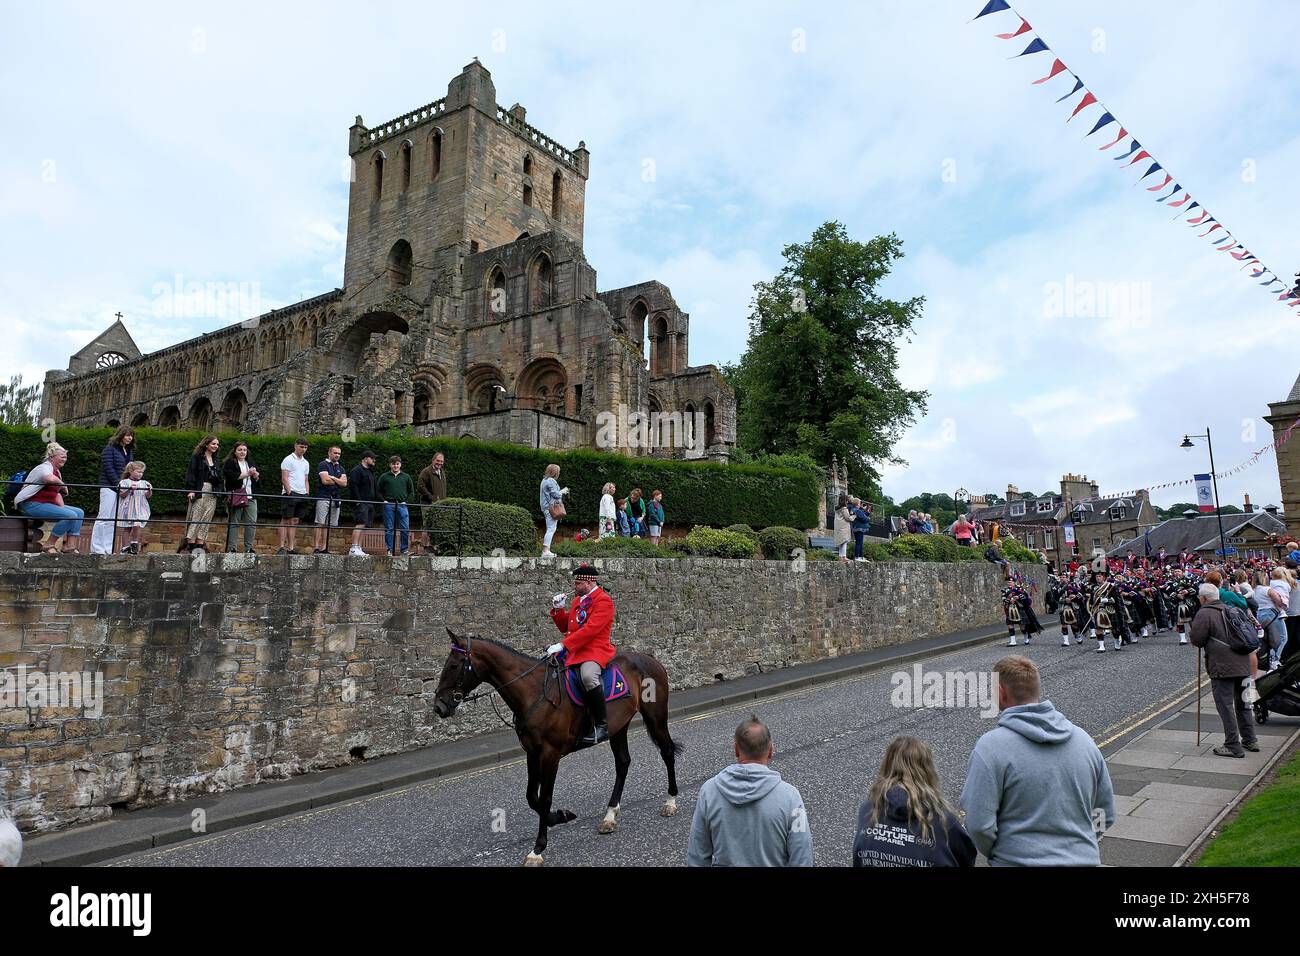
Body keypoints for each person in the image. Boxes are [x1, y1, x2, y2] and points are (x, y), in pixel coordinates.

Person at [960, 656, 1115, 866]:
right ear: (1036, 690)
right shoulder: (1084, 741)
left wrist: (1003, 852)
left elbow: (979, 825)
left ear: (1001, 692)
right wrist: (1080, 845)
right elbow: (1104, 812)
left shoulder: (990, 748)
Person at [688, 715, 813, 867]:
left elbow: (697, 855)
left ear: (736, 749)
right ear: (771, 750)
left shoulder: (709, 792)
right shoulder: (791, 797)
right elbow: (802, 855)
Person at [853, 736, 976, 868]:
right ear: (927, 771)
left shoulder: (868, 811)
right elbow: (966, 858)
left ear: (887, 765)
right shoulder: (944, 821)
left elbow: (858, 858)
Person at [546, 565, 616, 744]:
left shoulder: (603, 601)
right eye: (575, 582)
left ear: (589, 582)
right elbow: (567, 628)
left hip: (595, 649)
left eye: (577, 583)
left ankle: (602, 726)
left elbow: (591, 630)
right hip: (576, 650)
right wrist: (559, 610)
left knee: (588, 677)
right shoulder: (578, 600)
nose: (574, 585)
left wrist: (562, 645)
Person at [1189, 582, 1260, 758]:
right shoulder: (1233, 609)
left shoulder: (1204, 612)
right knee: (1245, 704)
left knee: (1225, 705)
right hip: (1243, 664)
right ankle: (1251, 740)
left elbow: (1197, 640)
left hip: (1222, 667)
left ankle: (1233, 745)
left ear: (1203, 598)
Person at [15, 442, 84, 554]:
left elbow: (56, 494)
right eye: (62, 457)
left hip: (46, 504)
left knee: (78, 512)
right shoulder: (44, 467)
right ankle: (48, 545)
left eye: (66, 457)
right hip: (31, 504)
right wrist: (63, 484)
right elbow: (49, 479)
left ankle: (70, 546)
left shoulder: (57, 471)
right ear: (52, 457)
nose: (64, 459)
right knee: (71, 515)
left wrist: (63, 509)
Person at [91, 424, 134, 554]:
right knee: (103, 518)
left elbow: (128, 471)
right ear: (120, 435)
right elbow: (108, 469)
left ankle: (107, 549)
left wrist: (127, 485)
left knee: (111, 521)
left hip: (120, 489)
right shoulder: (109, 449)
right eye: (127, 435)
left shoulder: (128, 451)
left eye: (131, 435)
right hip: (108, 487)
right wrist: (118, 484)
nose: (130, 438)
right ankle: (97, 549)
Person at [181, 435, 221, 554]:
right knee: (196, 517)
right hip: (200, 489)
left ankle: (200, 546)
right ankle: (191, 546)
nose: (215, 446)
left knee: (206, 519)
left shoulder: (215, 459)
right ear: (206, 444)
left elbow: (218, 477)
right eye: (213, 444)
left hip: (212, 491)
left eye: (217, 444)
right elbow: (191, 473)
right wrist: (191, 490)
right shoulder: (197, 457)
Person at [222, 441, 261, 554]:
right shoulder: (230, 462)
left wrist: (256, 476)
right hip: (236, 495)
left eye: (244, 450)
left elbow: (257, 481)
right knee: (234, 522)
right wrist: (247, 474)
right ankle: (232, 548)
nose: (242, 452)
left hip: (250, 495)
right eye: (240, 450)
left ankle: (249, 548)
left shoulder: (250, 462)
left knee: (251, 522)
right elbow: (230, 477)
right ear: (235, 451)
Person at [277, 438, 312, 555]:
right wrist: (289, 492)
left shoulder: (306, 462)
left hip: (302, 494)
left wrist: (307, 493)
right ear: (295, 445)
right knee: (285, 520)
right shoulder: (288, 459)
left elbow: (306, 479)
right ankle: (281, 547)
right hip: (290, 493)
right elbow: (284, 477)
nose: (303, 449)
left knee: (295, 521)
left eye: (305, 447)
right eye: (301, 447)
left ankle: (291, 548)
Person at [377, 454, 415, 556]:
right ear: (390, 465)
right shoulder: (384, 477)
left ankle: (404, 550)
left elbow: (411, 492)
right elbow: (378, 491)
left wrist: (406, 502)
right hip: (388, 505)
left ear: (400, 465)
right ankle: (389, 549)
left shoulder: (406, 477)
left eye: (397, 464)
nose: (395, 466)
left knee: (405, 528)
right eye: (393, 464)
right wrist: (383, 500)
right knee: (389, 528)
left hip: (402, 505)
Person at [313, 445, 348, 554]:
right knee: (320, 523)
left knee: (329, 525)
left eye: (339, 453)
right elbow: (325, 481)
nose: (337, 455)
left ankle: (324, 548)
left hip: (336, 498)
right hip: (323, 497)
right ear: (329, 453)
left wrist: (332, 477)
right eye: (335, 453)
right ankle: (316, 547)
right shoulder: (323, 464)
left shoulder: (341, 468)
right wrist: (338, 480)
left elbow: (344, 483)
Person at [115, 460, 152, 554]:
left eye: (142, 472)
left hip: (140, 508)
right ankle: (125, 547)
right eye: (138, 472)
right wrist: (129, 489)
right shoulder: (124, 482)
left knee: (137, 525)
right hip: (129, 508)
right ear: (131, 471)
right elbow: (122, 495)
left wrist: (149, 490)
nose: (140, 474)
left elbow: (148, 496)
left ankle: (134, 543)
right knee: (127, 527)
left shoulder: (144, 483)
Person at [348, 450, 379, 557]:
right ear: (366, 458)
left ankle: (359, 548)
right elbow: (353, 486)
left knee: (365, 525)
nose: (374, 460)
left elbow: (375, 488)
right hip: (361, 502)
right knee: (360, 523)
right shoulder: (356, 470)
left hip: (370, 502)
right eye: (372, 458)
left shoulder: (370, 471)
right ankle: (353, 548)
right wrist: (358, 501)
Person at [415, 451, 448, 555]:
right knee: (427, 525)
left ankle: (434, 547)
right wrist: (431, 497)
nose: (440, 463)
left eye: (441, 461)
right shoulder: (426, 471)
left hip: (439, 505)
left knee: (436, 526)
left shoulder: (441, 472)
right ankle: (425, 548)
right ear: (433, 460)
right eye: (438, 460)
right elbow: (420, 486)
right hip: (427, 504)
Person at [1263, 568, 1291, 670]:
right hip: (1276, 613)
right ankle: (1274, 658)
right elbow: (1280, 601)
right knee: (1283, 637)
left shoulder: (1270, 585)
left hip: (1267, 613)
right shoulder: (1284, 585)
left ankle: (1272, 658)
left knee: (1272, 638)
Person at [539, 463, 568, 558]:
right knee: (551, 528)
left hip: (546, 507)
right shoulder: (550, 481)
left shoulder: (544, 480)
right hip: (551, 507)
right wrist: (563, 491)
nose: (559, 473)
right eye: (558, 471)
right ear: (555, 472)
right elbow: (556, 495)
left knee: (551, 528)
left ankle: (547, 550)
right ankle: (545, 551)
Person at [849, 496, 870, 562]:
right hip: (859, 528)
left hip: (856, 528)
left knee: (859, 543)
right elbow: (864, 518)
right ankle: (857, 556)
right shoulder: (857, 510)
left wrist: (867, 513)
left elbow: (863, 515)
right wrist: (868, 519)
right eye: (859, 503)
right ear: (857, 503)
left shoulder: (853, 509)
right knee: (859, 543)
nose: (860, 504)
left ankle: (860, 556)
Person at [834, 493, 852, 563]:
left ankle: (840, 557)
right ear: (845, 501)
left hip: (839, 528)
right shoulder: (844, 509)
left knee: (841, 542)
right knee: (844, 541)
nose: (847, 502)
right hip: (844, 528)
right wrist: (854, 516)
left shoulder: (837, 509)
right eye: (847, 500)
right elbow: (848, 518)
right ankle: (844, 557)